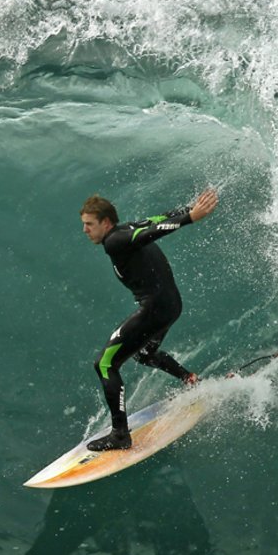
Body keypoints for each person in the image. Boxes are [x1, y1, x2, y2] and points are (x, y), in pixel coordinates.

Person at [79, 188, 218, 451]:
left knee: (105, 364)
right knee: (143, 354)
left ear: (105, 223)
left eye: (89, 224)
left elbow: (151, 232)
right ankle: (190, 380)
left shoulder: (114, 241)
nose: (85, 230)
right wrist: (189, 209)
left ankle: (120, 435)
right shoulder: (126, 228)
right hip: (171, 306)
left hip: (155, 310)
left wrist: (191, 217)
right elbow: (157, 219)